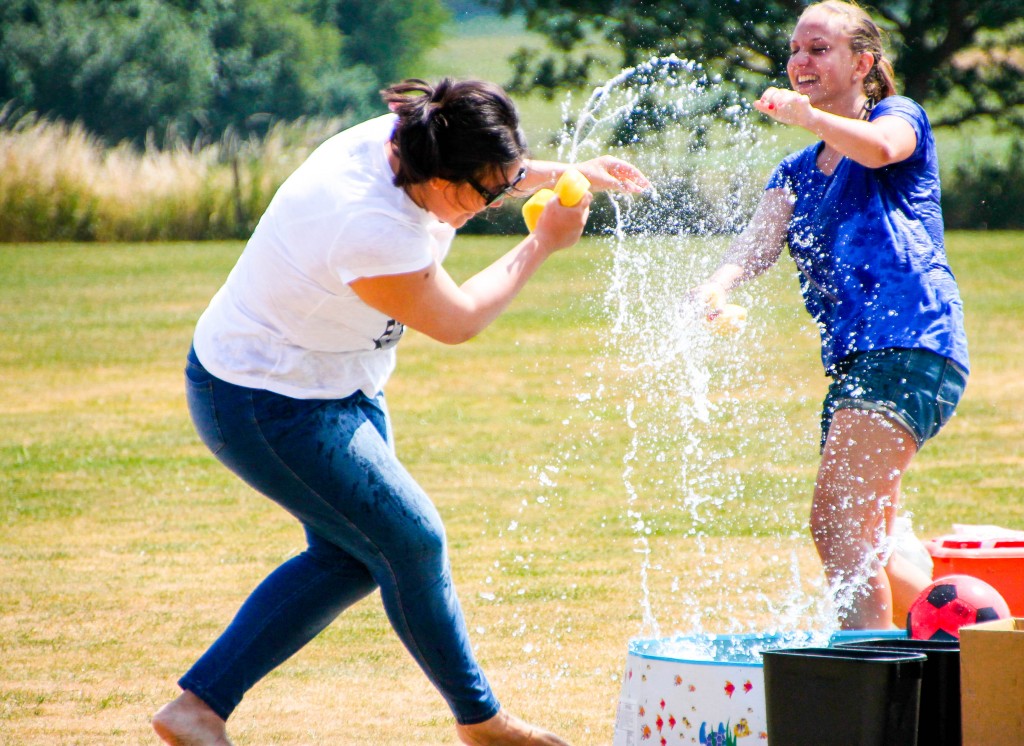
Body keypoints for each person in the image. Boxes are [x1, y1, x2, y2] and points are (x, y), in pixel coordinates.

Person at [152, 77, 650, 745]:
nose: (496, 200)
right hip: (264, 399)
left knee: (356, 554)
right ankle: (482, 721)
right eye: (487, 193)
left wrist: (568, 173)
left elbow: (493, 170)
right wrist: (541, 243)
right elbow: (457, 320)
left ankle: (198, 707)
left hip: (338, 383)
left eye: (505, 184)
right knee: (412, 540)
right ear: (438, 175)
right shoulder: (369, 223)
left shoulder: (418, 142)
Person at [692, 1, 968, 630]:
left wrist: (810, 116)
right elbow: (758, 245)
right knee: (872, 538)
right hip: (855, 361)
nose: (800, 61)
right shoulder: (794, 171)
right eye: (795, 50)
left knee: (838, 520)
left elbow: (877, 151)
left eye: (819, 49)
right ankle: (977, 634)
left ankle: (867, 695)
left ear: (863, 63)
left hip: (911, 340)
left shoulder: (898, 118)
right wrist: (717, 284)